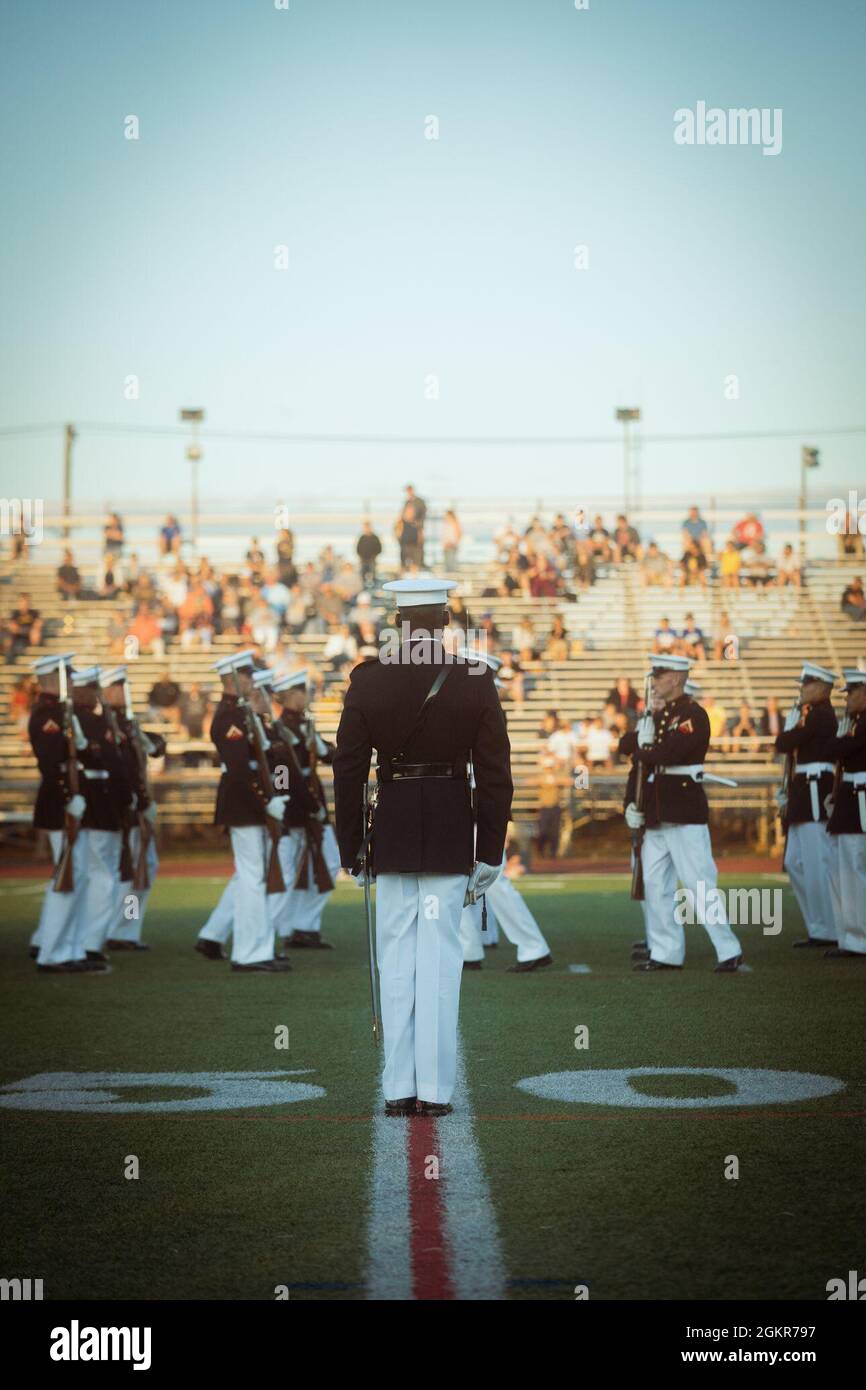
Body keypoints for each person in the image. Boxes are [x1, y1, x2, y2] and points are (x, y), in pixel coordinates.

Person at [333, 577, 512, 1118]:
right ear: (445, 622)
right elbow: (495, 772)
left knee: (396, 961)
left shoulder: (367, 680)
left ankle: (397, 1088)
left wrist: (351, 848)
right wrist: (491, 847)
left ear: (397, 624)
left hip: (390, 834)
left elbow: (347, 770)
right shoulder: (475, 678)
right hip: (451, 831)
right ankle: (433, 1091)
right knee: (439, 961)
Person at [624, 653, 743, 972]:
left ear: (676, 678)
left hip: (684, 810)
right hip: (657, 813)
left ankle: (728, 948)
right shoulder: (661, 716)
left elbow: (668, 752)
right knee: (655, 885)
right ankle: (665, 952)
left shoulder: (693, 715)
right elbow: (629, 746)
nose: (656, 680)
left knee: (699, 883)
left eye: (660, 675)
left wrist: (642, 747)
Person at [208, 650, 291, 972]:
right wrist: (266, 800)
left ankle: (256, 948)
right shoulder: (230, 718)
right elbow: (241, 770)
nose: (253, 681)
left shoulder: (245, 715)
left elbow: (270, 760)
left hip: (254, 804)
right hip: (243, 805)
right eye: (247, 676)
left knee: (255, 879)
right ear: (232, 679)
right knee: (252, 879)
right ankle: (250, 953)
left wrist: (276, 795)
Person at [27, 652, 106, 973]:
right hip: (62, 803)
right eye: (69, 678)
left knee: (79, 876)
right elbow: (50, 764)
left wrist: (86, 746)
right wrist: (67, 797)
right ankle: (53, 951)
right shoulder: (48, 714)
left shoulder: (64, 713)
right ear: (55, 679)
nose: (74, 683)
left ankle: (71, 948)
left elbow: (86, 757)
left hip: (78, 800)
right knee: (67, 879)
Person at [271, 669, 341, 950]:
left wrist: (323, 750)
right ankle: (278, 928)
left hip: (311, 809)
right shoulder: (280, 730)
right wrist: (307, 807)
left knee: (327, 864)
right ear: (290, 695)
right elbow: (284, 777)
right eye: (302, 692)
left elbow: (332, 754)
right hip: (294, 811)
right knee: (287, 875)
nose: (307, 697)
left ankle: (303, 927)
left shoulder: (304, 726)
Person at [96, 666, 165, 953]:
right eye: (117, 687)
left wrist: (153, 741)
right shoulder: (104, 725)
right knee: (126, 870)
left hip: (136, 806)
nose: (124, 692)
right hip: (122, 807)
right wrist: (138, 801)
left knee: (141, 869)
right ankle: (117, 930)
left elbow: (153, 750)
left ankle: (126, 928)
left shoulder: (127, 723)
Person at [71, 666, 135, 966]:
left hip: (111, 801)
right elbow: (116, 764)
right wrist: (130, 799)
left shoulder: (117, 722)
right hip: (105, 802)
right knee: (113, 876)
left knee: (133, 873)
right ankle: (111, 935)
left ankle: (125, 929)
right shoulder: (96, 723)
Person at [775, 661, 839, 948]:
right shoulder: (809, 714)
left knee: (816, 862)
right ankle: (818, 925)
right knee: (795, 862)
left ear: (823, 689)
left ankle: (828, 927)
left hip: (815, 788)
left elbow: (786, 742)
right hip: (803, 790)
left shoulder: (821, 715)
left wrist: (790, 731)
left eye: (808, 685)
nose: (802, 690)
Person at [825, 668, 866, 958]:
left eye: (852, 692)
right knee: (843, 867)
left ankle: (859, 938)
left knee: (854, 865)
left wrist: (840, 744)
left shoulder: (861, 724)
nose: (847, 698)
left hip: (860, 795)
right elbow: (839, 750)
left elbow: (845, 748)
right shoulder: (854, 722)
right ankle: (851, 937)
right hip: (850, 796)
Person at [3, 593, 43, 662]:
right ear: (19, 603)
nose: (24, 604)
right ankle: (9, 657)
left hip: (29, 638)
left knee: (35, 632)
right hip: (18, 637)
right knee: (8, 638)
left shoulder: (34, 613)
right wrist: (25, 630)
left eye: (26, 602)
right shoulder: (15, 614)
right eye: (22, 602)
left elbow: (38, 624)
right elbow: (13, 627)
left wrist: (29, 630)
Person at [356, 520, 382, 588]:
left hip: (372, 560)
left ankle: (374, 588)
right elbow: (358, 549)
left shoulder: (375, 537)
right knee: (362, 575)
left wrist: (374, 556)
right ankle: (362, 588)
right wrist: (361, 557)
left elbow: (379, 548)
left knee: (373, 575)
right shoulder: (362, 537)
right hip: (363, 560)